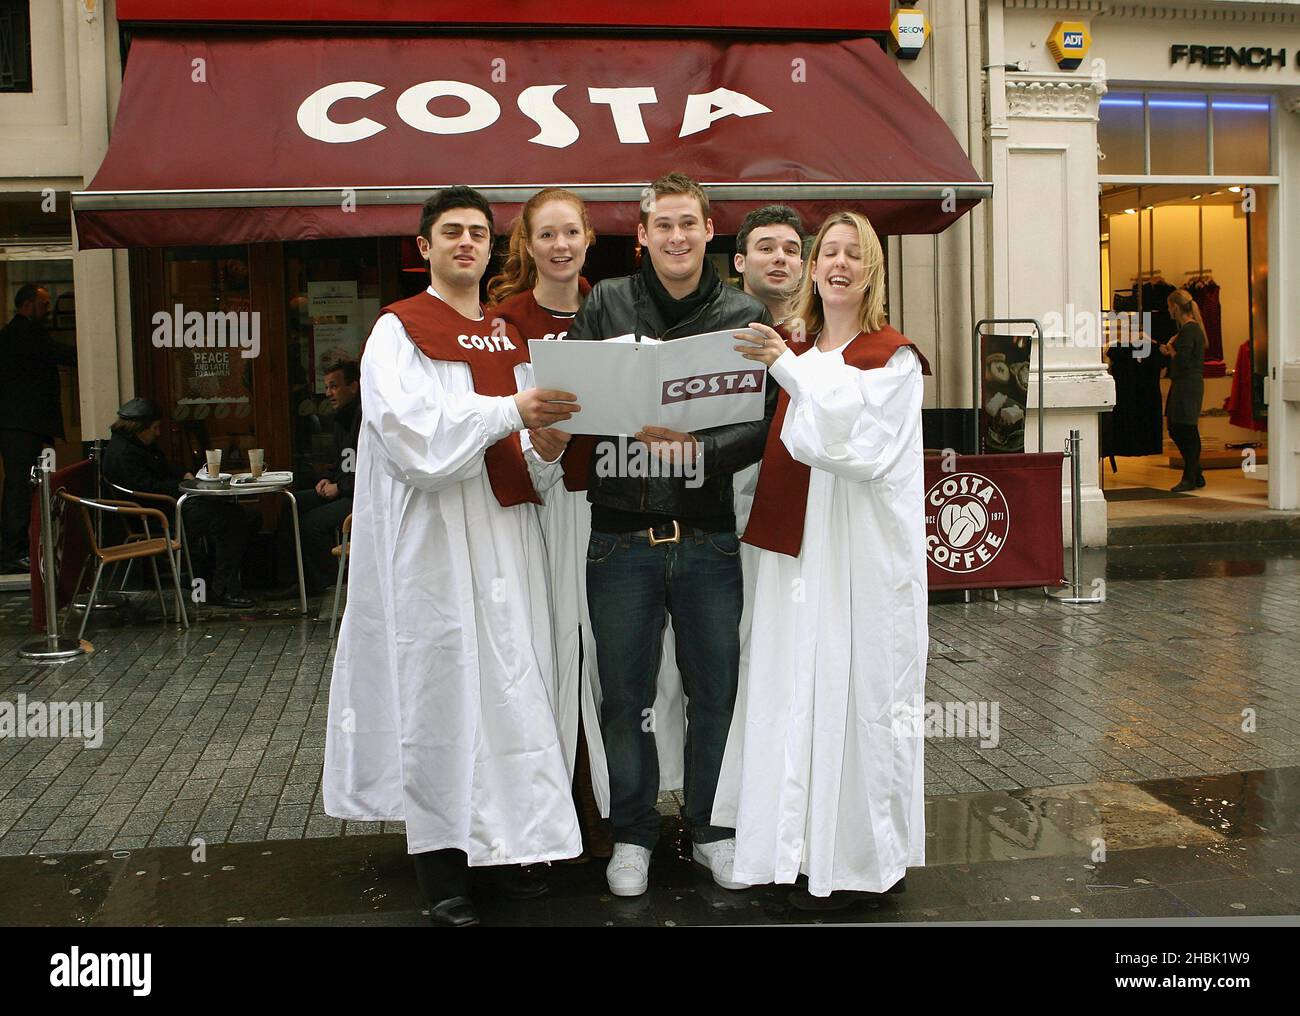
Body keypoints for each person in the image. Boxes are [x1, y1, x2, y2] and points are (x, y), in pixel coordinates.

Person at [322, 186, 583, 928]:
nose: (466, 242)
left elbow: (524, 459)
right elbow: (411, 440)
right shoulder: (397, 332)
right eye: (451, 232)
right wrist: (509, 413)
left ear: (493, 249)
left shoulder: (507, 338)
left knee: (508, 690)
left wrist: (548, 446)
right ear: (425, 248)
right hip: (433, 548)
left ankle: (511, 845)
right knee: (442, 694)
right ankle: (442, 864)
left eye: (478, 232)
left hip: (506, 540)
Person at [566, 172, 776, 897]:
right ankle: (633, 833)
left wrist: (705, 453)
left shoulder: (745, 311)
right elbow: (569, 398)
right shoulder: (605, 303)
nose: (678, 237)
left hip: (710, 533)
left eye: (689, 223)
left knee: (714, 689)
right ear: (644, 235)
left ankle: (713, 828)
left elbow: (764, 418)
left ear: (708, 230)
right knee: (624, 694)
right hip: (620, 532)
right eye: (664, 225)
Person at [714, 211, 930, 909]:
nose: (837, 264)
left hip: (856, 560)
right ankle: (793, 851)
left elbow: (855, 447)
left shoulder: (892, 359)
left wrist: (788, 364)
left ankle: (862, 861)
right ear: (813, 269)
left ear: (872, 272)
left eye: (853, 255)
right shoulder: (800, 351)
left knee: (855, 694)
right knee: (789, 688)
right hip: (796, 553)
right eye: (827, 252)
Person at [487, 188, 614, 860]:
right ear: (528, 245)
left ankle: (610, 807)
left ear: (589, 237)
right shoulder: (502, 323)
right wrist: (542, 445)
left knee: (610, 660)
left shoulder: (620, 308)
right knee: (547, 655)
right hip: (539, 508)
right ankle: (556, 807)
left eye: (572, 233)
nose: (561, 246)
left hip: (614, 509)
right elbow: (491, 424)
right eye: (547, 236)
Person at [100, 398, 258, 609]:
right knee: (232, 518)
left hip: (168, 506)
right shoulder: (124, 454)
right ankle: (222, 588)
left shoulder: (138, 445)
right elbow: (146, 489)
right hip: (156, 516)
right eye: (155, 428)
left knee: (243, 515)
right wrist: (183, 485)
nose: (158, 433)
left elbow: (164, 465)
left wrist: (183, 474)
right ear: (139, 429)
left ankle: (212, 580)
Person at [0, 285, 76, 571]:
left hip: (19, 424)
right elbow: (57, 353)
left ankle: (13, 547)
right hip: (22, 424)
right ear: (28, 305)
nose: (48, 310)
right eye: (44, 305)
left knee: (19, 485)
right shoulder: (24, 334)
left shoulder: (16, 334)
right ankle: (14, 549)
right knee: (19, 486)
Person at [289, 360, 362, 592]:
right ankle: (297, 579)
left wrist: (340, 487)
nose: (328, 393)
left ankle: (327, 581)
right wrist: (327, 477)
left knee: (311, 525)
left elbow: (370, 469)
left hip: (359, 496)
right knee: (291, 504)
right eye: (327, 387)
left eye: (334, 386)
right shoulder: (342, 416)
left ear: (353, 386)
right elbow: (342, 460)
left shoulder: (364, 417)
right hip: (343, 488)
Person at [1159, 289, 1206, 493]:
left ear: (1176, 307)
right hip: (1186, 383)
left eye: (1170, 307)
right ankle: (1194, 471)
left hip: (1187, 384)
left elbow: (1183, 360)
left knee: (1183, 427)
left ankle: (1191, 474)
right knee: (1181, 427)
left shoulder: (1188, 330)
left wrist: (1170, 350)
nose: (1169, 311)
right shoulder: (1192, 330)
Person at [733, 205, 804, 323]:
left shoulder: (823, 331)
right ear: (740, 262)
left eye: (790, 251)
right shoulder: (716, 328)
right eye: (766, 249)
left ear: (801, 268)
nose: (781, 258)